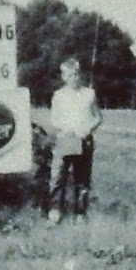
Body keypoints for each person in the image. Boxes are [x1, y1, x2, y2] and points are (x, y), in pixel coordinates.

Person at [46, 57, 103, 222]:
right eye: (70, 75)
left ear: (81, 75)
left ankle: (80, 213)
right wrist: (66, 129)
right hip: (65, 139)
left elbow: (98, 117)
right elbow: (53, 119)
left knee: (82, 179)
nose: (74, 78)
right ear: (64, 77)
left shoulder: (89, 94)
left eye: (76, 74)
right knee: (58, 177)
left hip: (84, 140)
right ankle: (55, 211)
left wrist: (88, 129)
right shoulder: (59, 95)